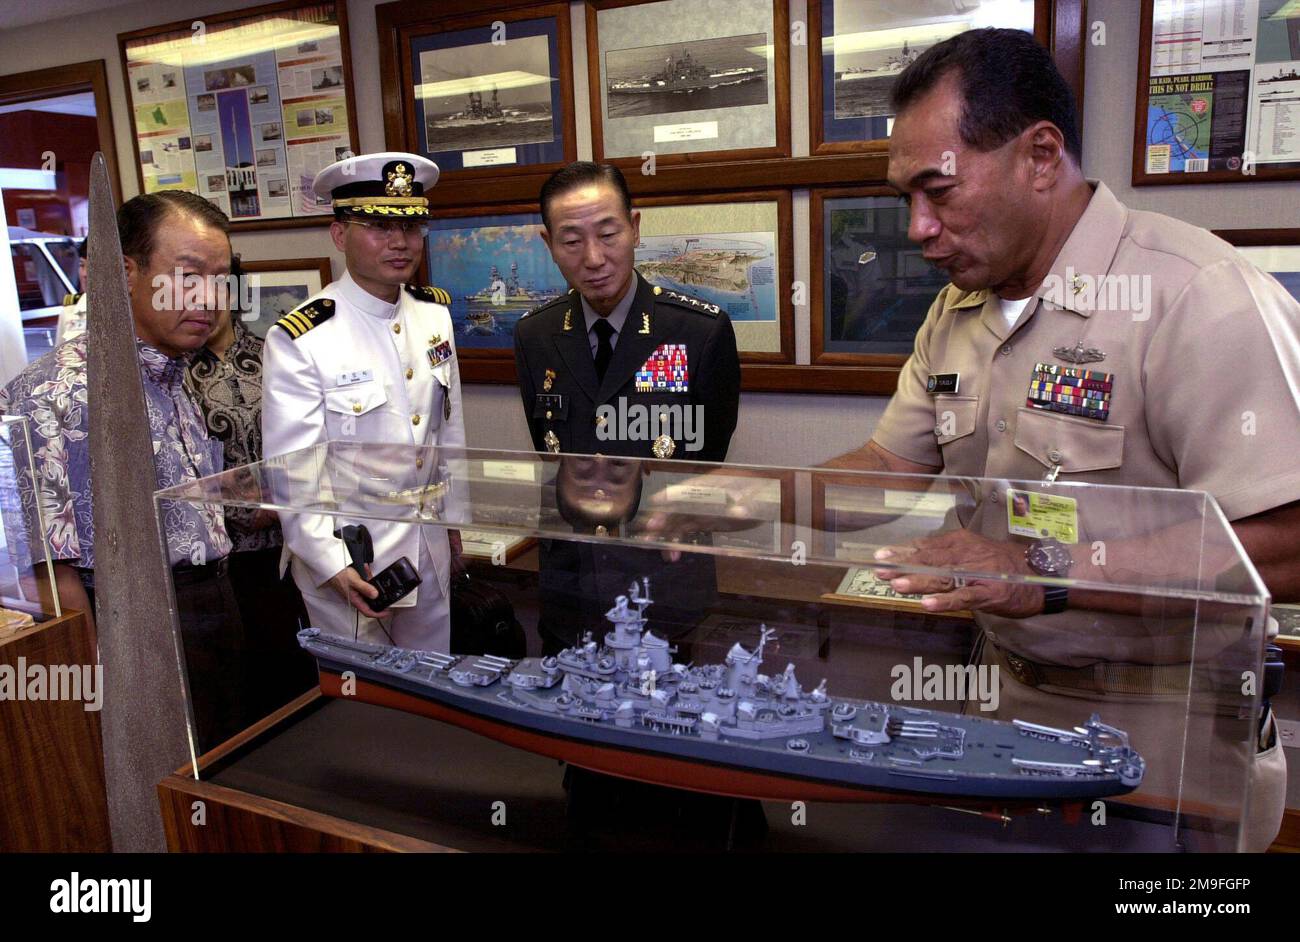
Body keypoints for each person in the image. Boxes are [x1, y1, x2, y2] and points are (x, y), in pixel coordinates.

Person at [822, 28, 1299, 851]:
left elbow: (1288, 542)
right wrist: (733, 500)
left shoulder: (1198, 295)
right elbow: (887, 469)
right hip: (1003, 697)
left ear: (1040, 157)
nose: (918, 228)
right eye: (906, 197)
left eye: (938, 190)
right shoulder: (958, 309)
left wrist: (1038, 567)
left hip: (1163, 719)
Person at [0, 190, 245, 751]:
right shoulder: (51, 396)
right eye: (186, 275)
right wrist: (95, 701)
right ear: (124, 272)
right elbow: (49, 577)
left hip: (213, 611)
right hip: (134, 629)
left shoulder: (175, 372)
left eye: (221, 278)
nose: (209, 297)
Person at [514, 161, 742, 653]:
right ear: (548, 243)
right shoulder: (535, 334)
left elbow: (708, 457)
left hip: (665, 578)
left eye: (608, 234)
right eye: (572, 241)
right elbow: (549, 454)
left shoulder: (699, 332)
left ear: (635, 228)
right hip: (570, 581)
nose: (594, 258)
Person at [262, 152, 465, 652]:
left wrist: (455, 522)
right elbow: (293, 471)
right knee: (360, 702)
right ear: (339, 234)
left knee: (431, 685)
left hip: (428, 548)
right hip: (352, 560)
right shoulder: (304, 337)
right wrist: (331, 563)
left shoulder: (432, 316)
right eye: (378, 226)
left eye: (412, 226)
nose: (400, 242)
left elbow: (448, 433)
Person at [186, 254, 316, 701]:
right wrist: (245, 511)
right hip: (223, 557)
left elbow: (313, 443)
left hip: (294, 542)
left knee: (301, 664)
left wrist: (286, 502)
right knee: (243, 677)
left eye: (222, 286)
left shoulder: (275, 353)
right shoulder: (177, 373)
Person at [55, 237, 88, 344]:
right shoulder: (70, 311)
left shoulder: (132, 310)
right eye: (82, 265)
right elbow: (59, 357)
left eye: (93, 266)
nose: (85, 274)